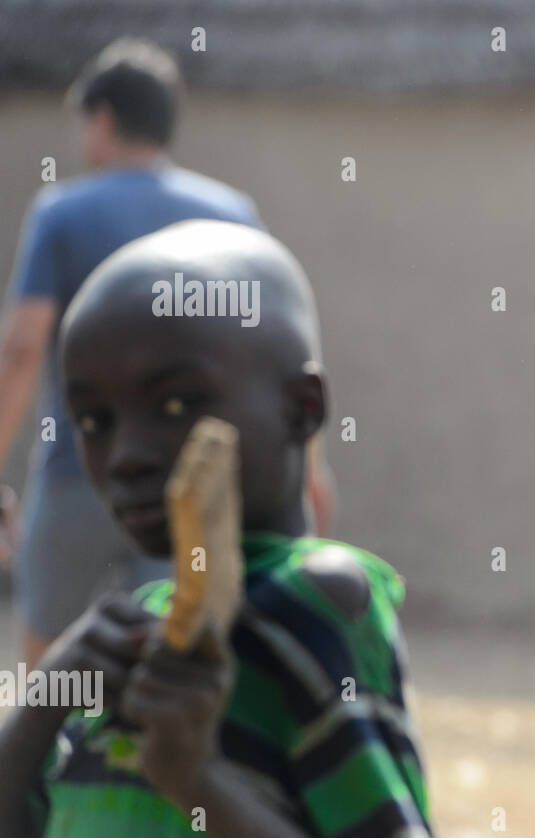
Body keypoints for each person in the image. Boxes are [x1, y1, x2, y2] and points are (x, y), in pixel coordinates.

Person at [0, 220, 437, 838]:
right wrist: (41, 706)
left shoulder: (312, 605)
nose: (126, 457)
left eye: (177, 404)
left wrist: (197, 779)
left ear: (303, 408)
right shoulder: (134, 636)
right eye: (94, 421)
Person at [0, 37, 333, 668]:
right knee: (189, 648)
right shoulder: (230, 214)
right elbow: (277, 353)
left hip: (80, 472)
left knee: (52, 669)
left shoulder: (62, 211)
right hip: (197, 485)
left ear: (101, 120)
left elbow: (21, 348)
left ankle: (62, 765)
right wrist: (310, 468)